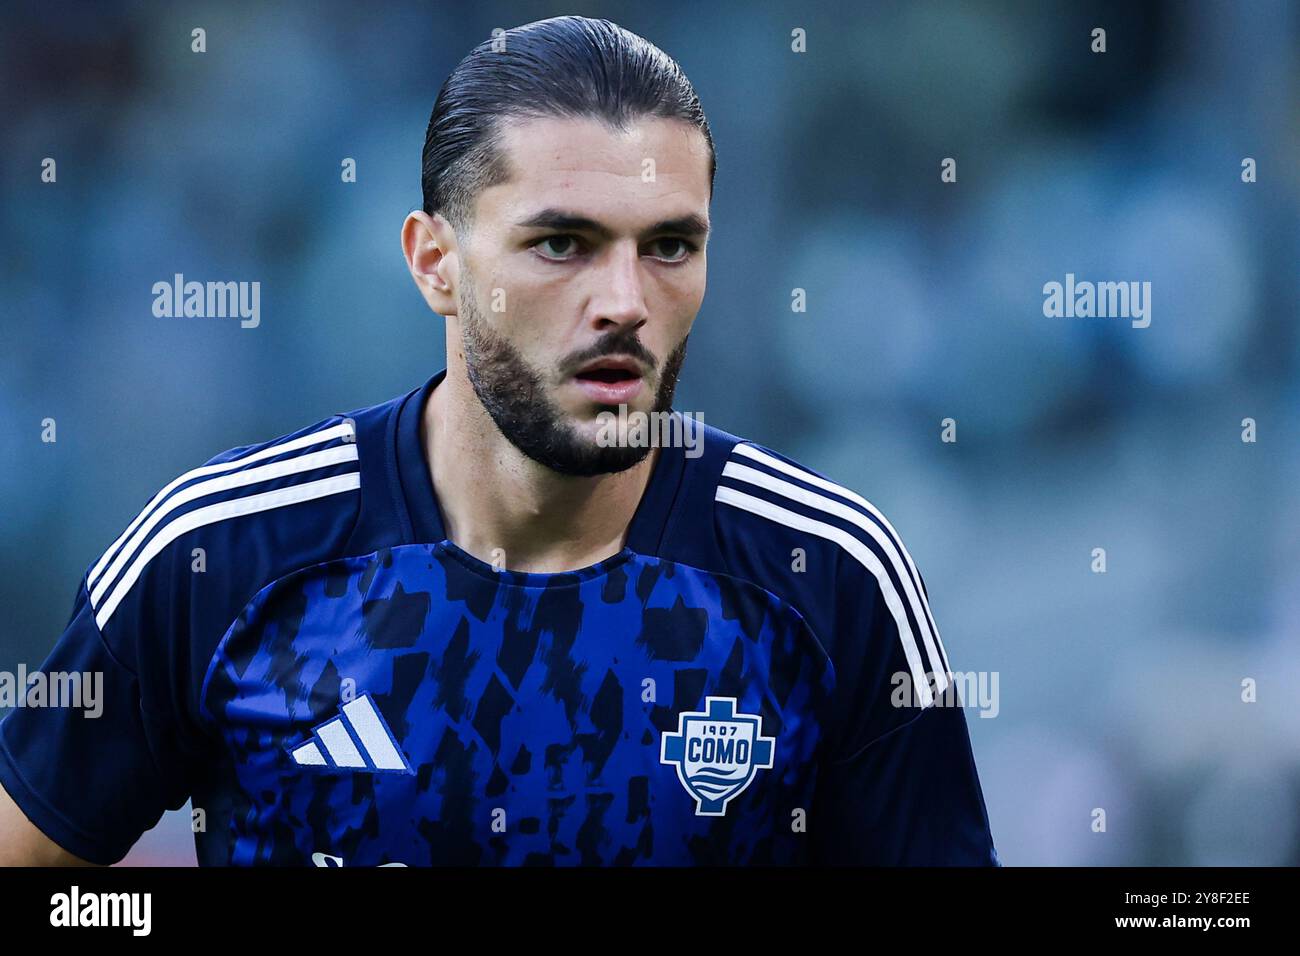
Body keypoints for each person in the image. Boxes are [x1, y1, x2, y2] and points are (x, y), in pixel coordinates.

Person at [0, 15, 997, 866]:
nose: (624, 303)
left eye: (669, 246)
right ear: (436, 261)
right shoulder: (220, 550)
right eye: (561, 243)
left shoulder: (826, 573)